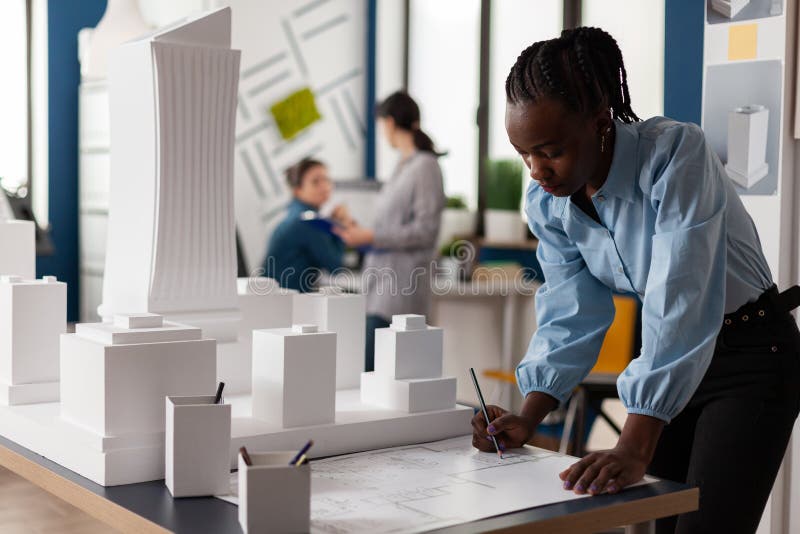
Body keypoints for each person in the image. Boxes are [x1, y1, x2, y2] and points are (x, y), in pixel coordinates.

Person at [469, 27, 800, 534]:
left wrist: (635, 440)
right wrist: (528, 417)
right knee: (652, 524)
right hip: (669, 358)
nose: (537, 170)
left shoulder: (674, 156)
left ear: (600, 122)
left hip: (750, 357)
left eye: (550, 150)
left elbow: (680, 296)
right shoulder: (550, 203)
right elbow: (569, 310)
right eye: (524, 155)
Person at [334, 91, 446, 371]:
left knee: (378, 376)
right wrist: (359, 232)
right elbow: (390, 226)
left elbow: (426, 231)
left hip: (399, 294)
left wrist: (372, 236)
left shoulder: (425, 166)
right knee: (369, 374)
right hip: (379, 289)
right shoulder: (403, 166)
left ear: (390, 123)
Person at [263, 158, 351, 292]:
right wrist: (340, 225)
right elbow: (336, 266)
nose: (325, 186)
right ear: (297, 190)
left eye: (326, 180)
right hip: (286, 304)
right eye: (316, 182)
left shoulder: (297, 215)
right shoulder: (308, 221)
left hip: (275, 298)